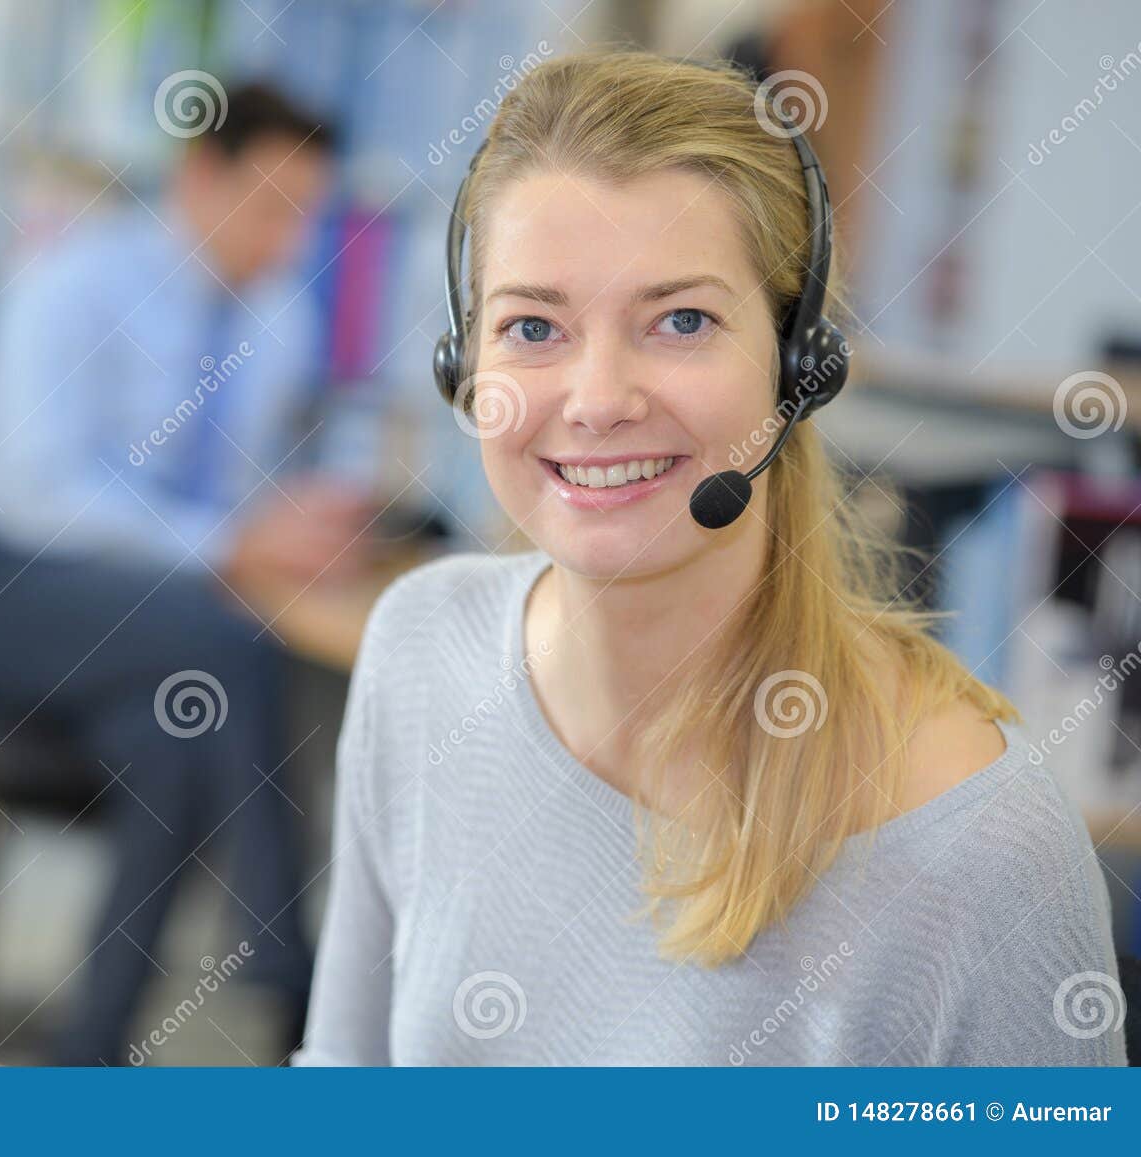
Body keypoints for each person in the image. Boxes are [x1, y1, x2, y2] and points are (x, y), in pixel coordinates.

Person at [294, 49, 1127, 1066]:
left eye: (680, 320)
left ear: (796, 366)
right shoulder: (421, 649)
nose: (597, 398)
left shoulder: (982, 846)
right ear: (463, 367)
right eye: (532, 325)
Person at [0, 82, 376, 1065]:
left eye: (308, 215)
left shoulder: (275, 321)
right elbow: (35, 491)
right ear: (200, 176)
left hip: (135, 629)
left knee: (179, 719)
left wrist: (296, 520)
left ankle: (94, 1049)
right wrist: (225, 547)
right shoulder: (72, 280)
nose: (290, 240)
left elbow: (237, 501)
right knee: (224, 641)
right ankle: (288, 964)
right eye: (273, 207)